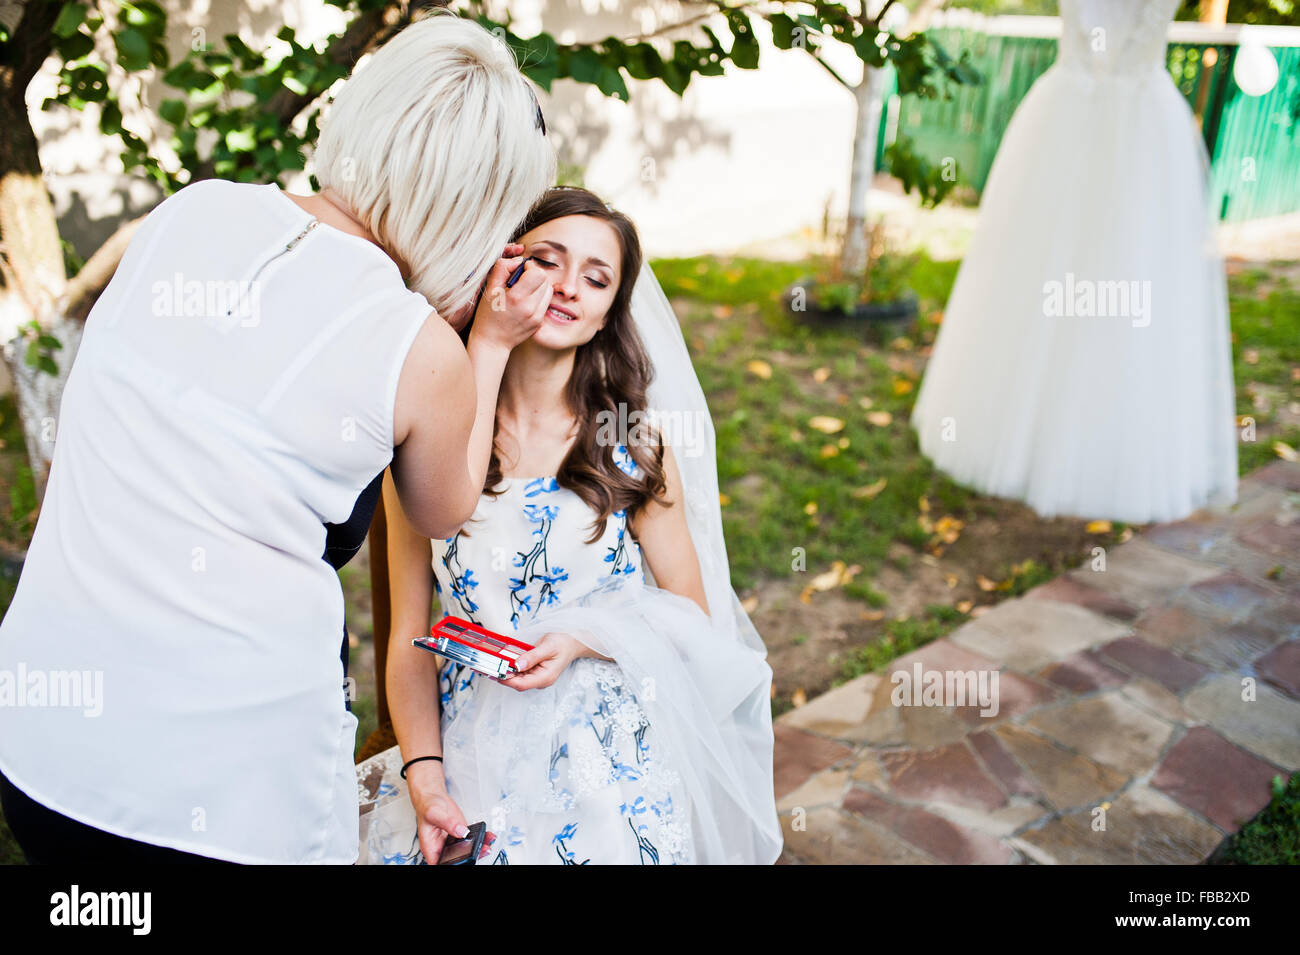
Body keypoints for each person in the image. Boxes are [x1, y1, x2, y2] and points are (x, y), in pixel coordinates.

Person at [0, 10, 556, 864]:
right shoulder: (418, 346)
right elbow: (442, 508)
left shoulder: (189, 213)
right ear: (479, 209)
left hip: (39, 749)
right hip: (224, 796)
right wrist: (486, 343)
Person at [367, 187, 783, 865]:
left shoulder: (633, 444)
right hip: (469, 749)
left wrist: (583, 640)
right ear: (504, 268)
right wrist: (426, 776)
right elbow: (409, 638)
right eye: (547, 260)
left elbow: (691, 616)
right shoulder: (423, 446)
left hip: (605, 767)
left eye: (595, 278)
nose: (566, 288)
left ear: (607, 316)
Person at [910, 0, 1237, 524]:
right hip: (1071, 126)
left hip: (1129, 134)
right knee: (1036, 270)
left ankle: (1097, 444)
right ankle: (1025, 434)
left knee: (1130, 271)